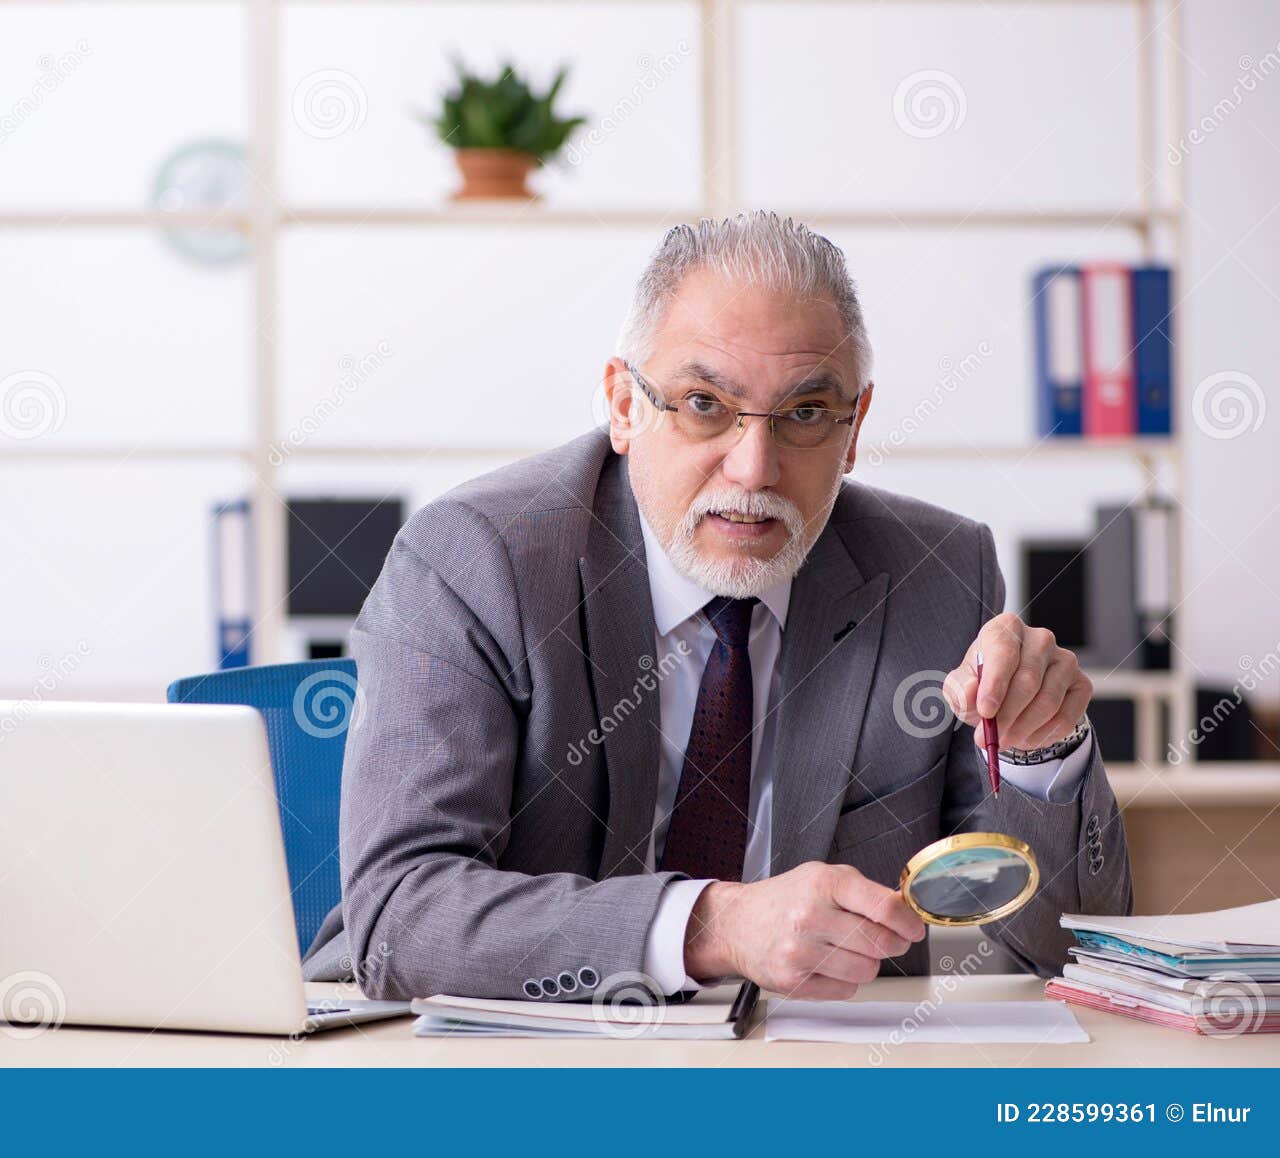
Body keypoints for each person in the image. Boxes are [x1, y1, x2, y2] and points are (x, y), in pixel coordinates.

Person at [304, 211, 1132, 1002]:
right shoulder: (476, 560)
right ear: (625, 406)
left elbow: (1061, 954)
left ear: (855, 427)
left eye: (806, 414)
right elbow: (398, 916)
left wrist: (1040, 754)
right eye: (705, 404)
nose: (754, 467)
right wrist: (710, 924)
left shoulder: (938, 575)